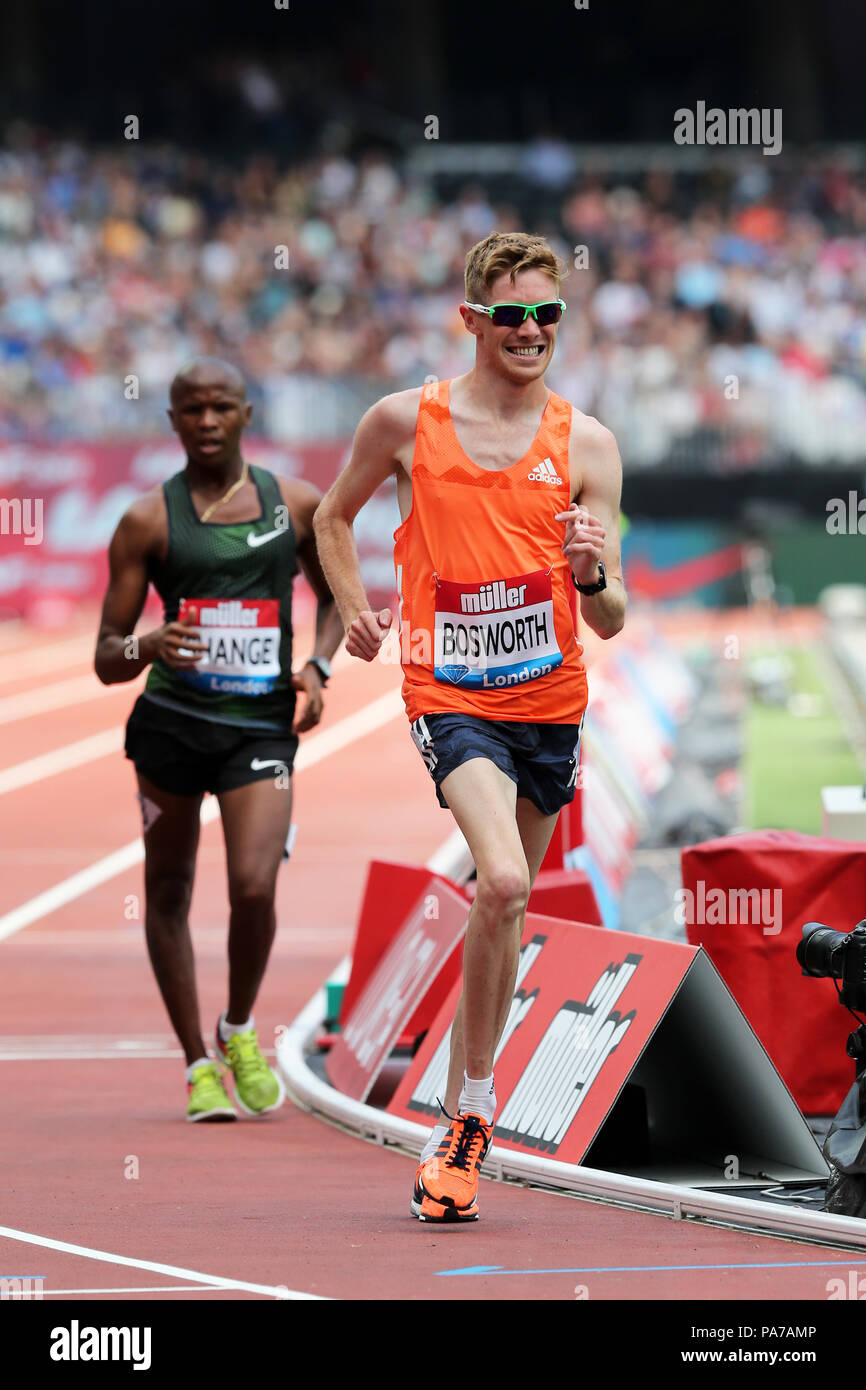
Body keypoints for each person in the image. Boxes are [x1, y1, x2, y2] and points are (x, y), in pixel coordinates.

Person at [313, 232, 626, 1220]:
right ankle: (467, 1119)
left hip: (549, 703)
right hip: (449, 694)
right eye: (510, 315)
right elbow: (330, 516)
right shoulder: (406, 420)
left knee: (510, 902)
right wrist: (350, 599)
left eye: (547, 315)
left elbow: (613, 614)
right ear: (471, 321)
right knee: (497, 876)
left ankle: (465, 1108)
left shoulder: (589, 444)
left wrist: (589, 573)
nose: (530, 331)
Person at [94, 358, 343, 1122]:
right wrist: (149, 646)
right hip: (170, 727)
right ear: (171, 421)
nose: (206, 422)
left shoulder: (295, 505)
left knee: (254, 885)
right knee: (168, 890)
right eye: (191, 410)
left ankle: (239, 1027)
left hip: (258, 728)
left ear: (245, 413)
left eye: (221, 408)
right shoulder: (147, 521)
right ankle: (197, 1063)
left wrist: (317, 665)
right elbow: (106, 655)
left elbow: (337, 595)